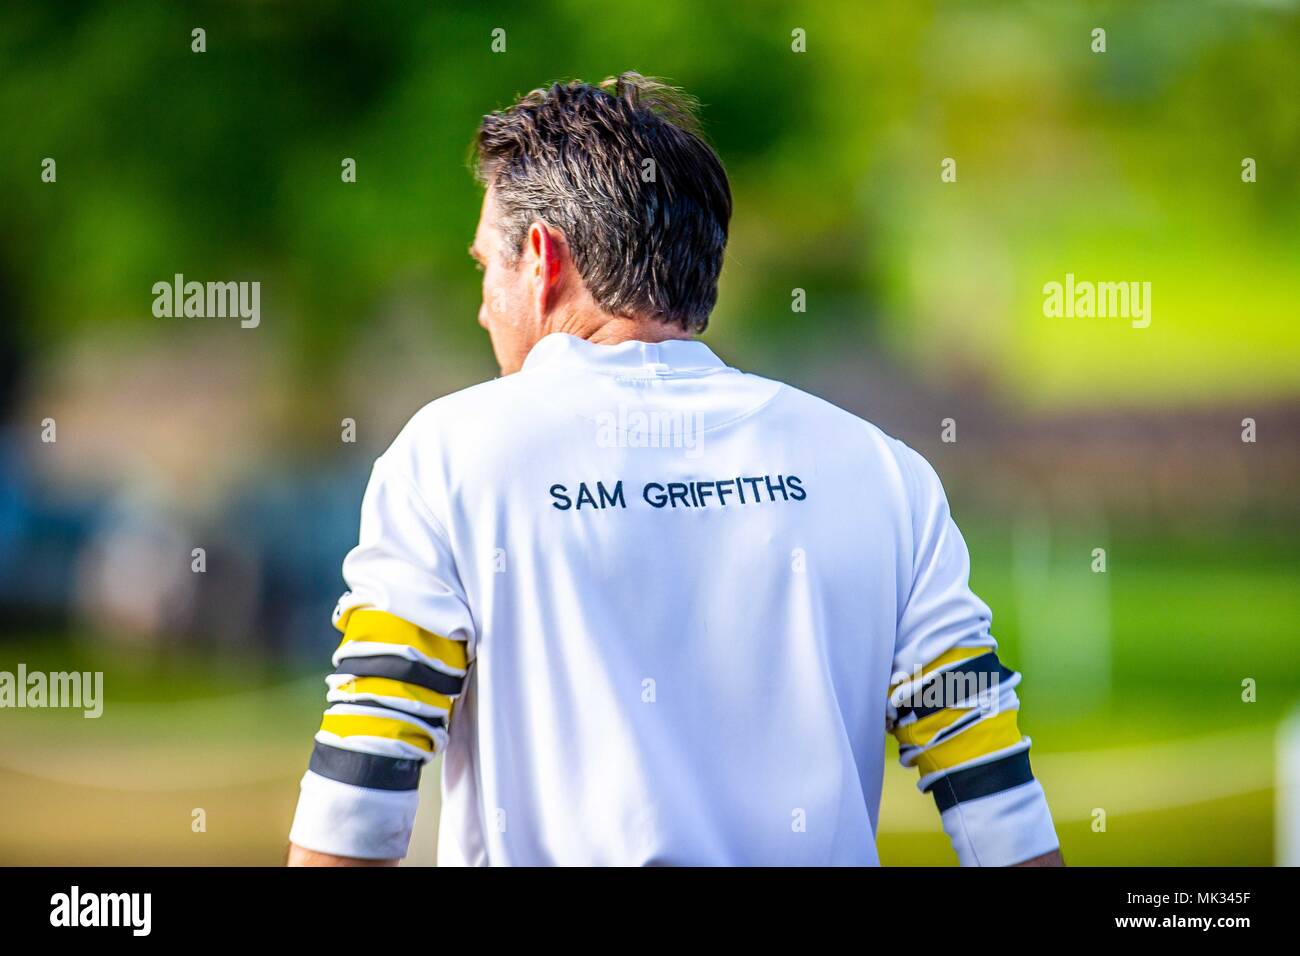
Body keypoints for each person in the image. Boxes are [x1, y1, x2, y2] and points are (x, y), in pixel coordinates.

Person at [286, 73, 1062, 867]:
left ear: (543, 259)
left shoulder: (447, 456)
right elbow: (997, 799)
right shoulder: (882, 471)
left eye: (488, 266)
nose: (484, 306)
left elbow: (361, 793)